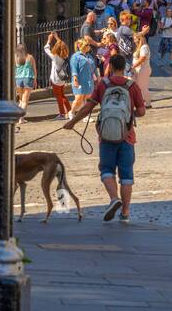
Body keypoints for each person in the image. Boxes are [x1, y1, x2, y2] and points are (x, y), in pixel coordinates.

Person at [64, 52, 147, 222]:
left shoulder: (103, 85)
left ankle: (113, 198)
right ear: (124, 68)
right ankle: (125, 213)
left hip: (106, 136)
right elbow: (141, 111)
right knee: (126, 176)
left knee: (107, 170)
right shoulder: (132, 86)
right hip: (127, 136)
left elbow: (88, 107)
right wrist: (128, 115)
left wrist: (73, 122)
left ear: (111, 67)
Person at [44, 32, 72, 118]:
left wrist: (49, 41)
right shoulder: (65, 56)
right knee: (62, 95)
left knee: (59, 97)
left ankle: (62, 113)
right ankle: (70, 111)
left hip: (56, 79)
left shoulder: (55, 57)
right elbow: (62, 45)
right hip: (62, 79)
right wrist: (57, 38)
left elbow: (46, 49)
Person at [69, 36, 96, 114]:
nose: (89, 46)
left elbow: (93, 68)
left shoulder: (89, 56)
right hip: (79, 80)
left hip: (88, 80)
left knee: (87, 99)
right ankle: (72, 112)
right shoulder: (75, 57)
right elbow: (74, 69)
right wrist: (75, 80)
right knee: (79, 98)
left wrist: (96, 77)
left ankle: (85, 115)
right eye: (87, 45)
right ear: (82, 46)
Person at [13, 43, 37, 129]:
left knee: (20, 100)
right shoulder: (30, 57)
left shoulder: (15, 58)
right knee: (24, 101)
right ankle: (21, 119)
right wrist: (35, 80)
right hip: (28, 79)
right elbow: (34, 69)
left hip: (18, 79)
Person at [131, 30, 153, 109]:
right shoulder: (139, 47)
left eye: (134, 38)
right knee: (137, 87)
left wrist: (133, 66)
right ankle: (140, 103)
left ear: (139, 39)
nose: (133, 40)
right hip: (139, 70)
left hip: (143, 70)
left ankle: (148, 104)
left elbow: (142, 58)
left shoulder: (144, 47)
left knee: (143, 87)